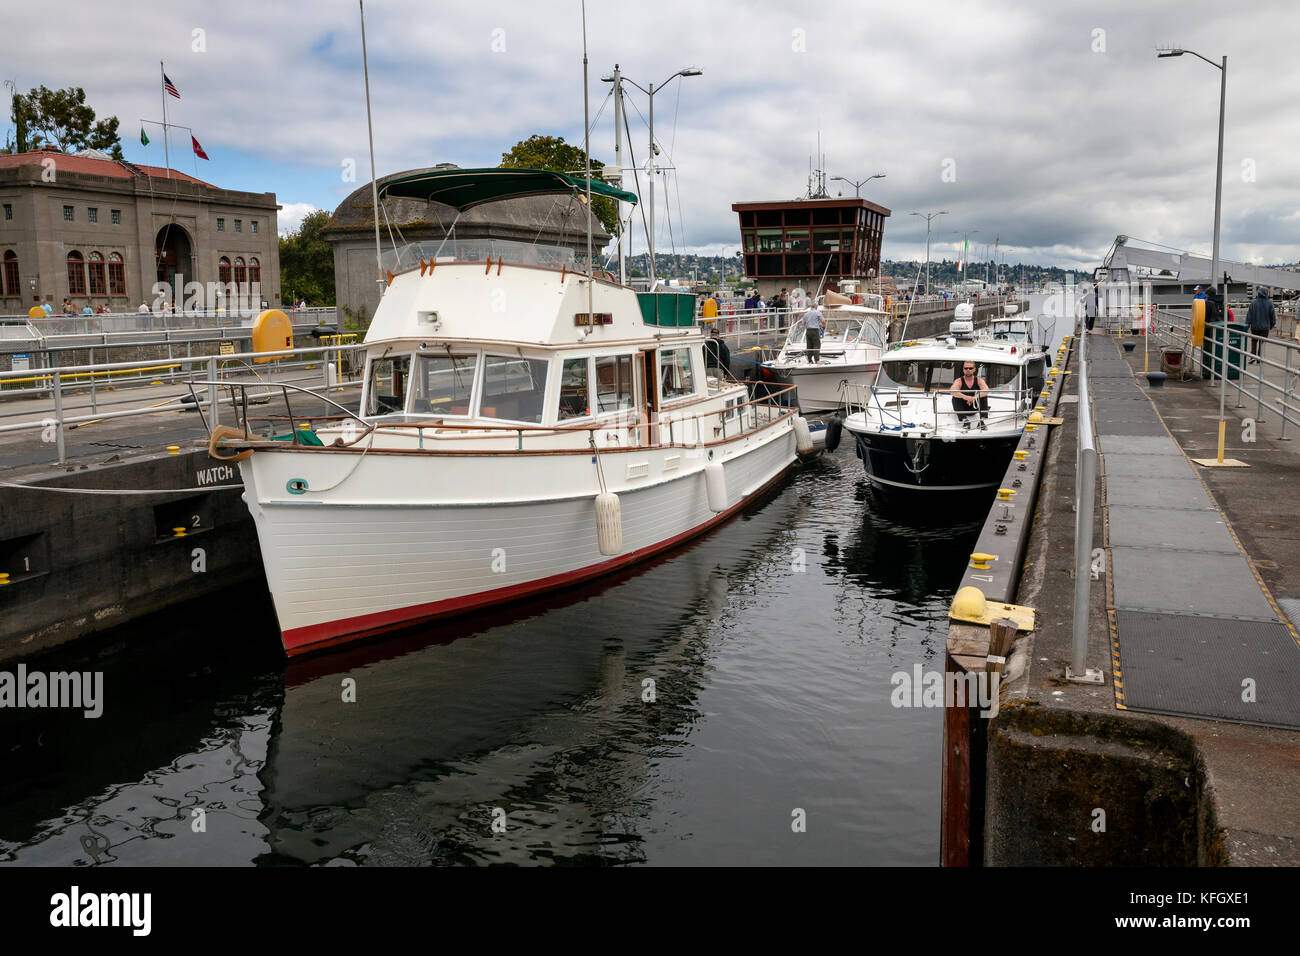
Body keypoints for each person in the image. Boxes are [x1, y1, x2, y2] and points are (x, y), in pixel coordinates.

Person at [950, 360, 989, 429]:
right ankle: (965, 421)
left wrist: (974, 397)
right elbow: (952, 391)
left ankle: (981, 421)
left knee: (983, 396)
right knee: (955, 397)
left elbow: (986, 390)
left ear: (974, 369)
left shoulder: (979, 380)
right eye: (966, 368)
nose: (968, 370)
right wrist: (966, 397)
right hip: (962, 408)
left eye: (970, 368)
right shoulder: (959, 381)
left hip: (974, 407)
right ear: (963, 370)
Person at [1245, 286, 1276, 363]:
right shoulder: (1270, 303)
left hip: (1254, 326)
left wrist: (1247, 325)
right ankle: (1259, 358)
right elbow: (1272, 315)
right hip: (1265, 327)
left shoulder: (1253, 303)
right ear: (1266, 293)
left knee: (1254, 341)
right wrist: (1272, 324)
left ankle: (1252, 357)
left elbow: (1249, 315)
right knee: (1262, 343)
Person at [801, 297, 825, 363]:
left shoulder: (806, 314)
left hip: (808, 331)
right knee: (816, 345)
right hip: (815, 330)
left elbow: (803, 324)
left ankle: (809, 360)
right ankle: (817, 360)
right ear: (816, 307)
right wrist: (823, 327)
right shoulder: (818, 312)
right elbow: (823, 321)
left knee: (809, 346)